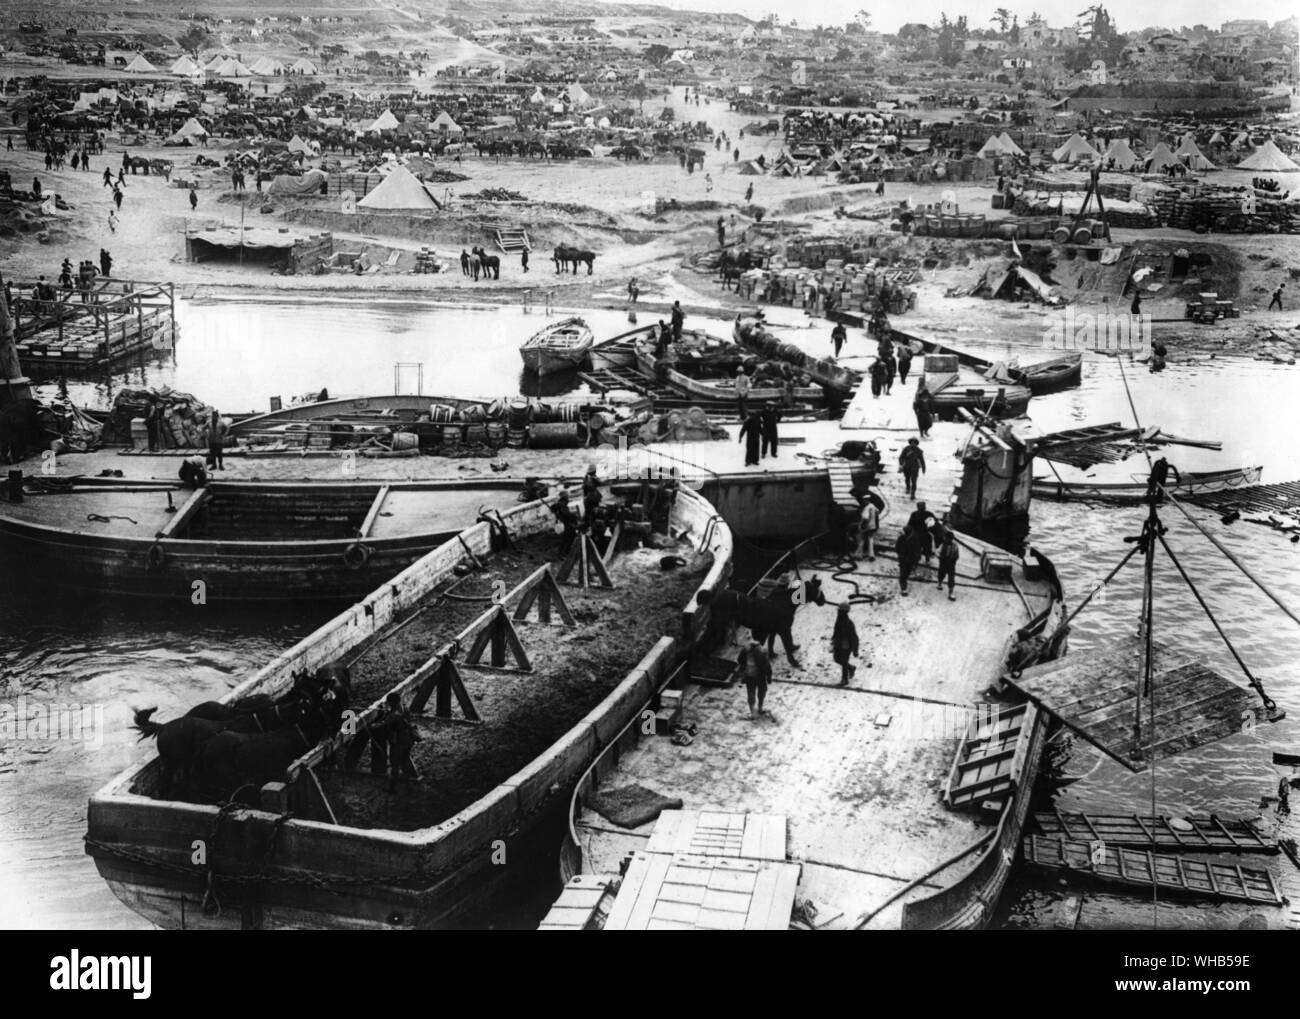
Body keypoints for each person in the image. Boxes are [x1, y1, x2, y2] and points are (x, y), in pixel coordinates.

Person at [737, 637, 772, 719]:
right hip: (760, 675)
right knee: (762, 692)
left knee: (751, 693)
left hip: (749, 675)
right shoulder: (763, 650)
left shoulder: (745, 650)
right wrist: (769, 676)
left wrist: (744, 668)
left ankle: (753, 712)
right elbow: (767, 665)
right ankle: (760, 708)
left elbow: (739, 660)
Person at [831, 603, 859, 685]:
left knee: (844, 661)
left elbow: (854, 637)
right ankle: (851, 668)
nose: (838, 612)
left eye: (840, 611)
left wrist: (855, 650)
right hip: (838, 643)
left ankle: (844, 680)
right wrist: (833, 639)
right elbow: (836, 631)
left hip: (846, 645)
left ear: (845, 612)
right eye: (838, 610)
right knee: (837, 659)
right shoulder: (838, 620)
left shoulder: (849, 623)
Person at [895, 524, 921, 596]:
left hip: (910, 560)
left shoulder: (914, 539)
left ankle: (904, 583)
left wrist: (916, 560)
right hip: (903, 560)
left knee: (907, 573)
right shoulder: (902, 538)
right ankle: (904, 589)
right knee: (903, 574)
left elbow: (918, 551)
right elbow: (897, 548)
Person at [936, 530, 959, 601]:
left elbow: (957, 555)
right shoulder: (942, 545)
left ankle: (951, 593)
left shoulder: (955, 545)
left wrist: (954, 560)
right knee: (941, 573)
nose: (947, 540)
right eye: (946, 538)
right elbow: (937, 552)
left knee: (951, 577)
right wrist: (939, 557)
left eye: (949, 539)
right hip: (943, 561)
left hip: (951, 563)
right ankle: (939, 583)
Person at [855, 494, 879, 562]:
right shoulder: (873, 506)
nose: (863, 502)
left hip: (866, 527)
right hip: (873, 526)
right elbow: (877, 512)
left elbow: (865, 518)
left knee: (861, 540)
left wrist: (860, 524)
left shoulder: (867, 508)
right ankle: (871, 555)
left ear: (866, 500)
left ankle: (859, 555)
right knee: (870, 540)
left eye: (864, 500)